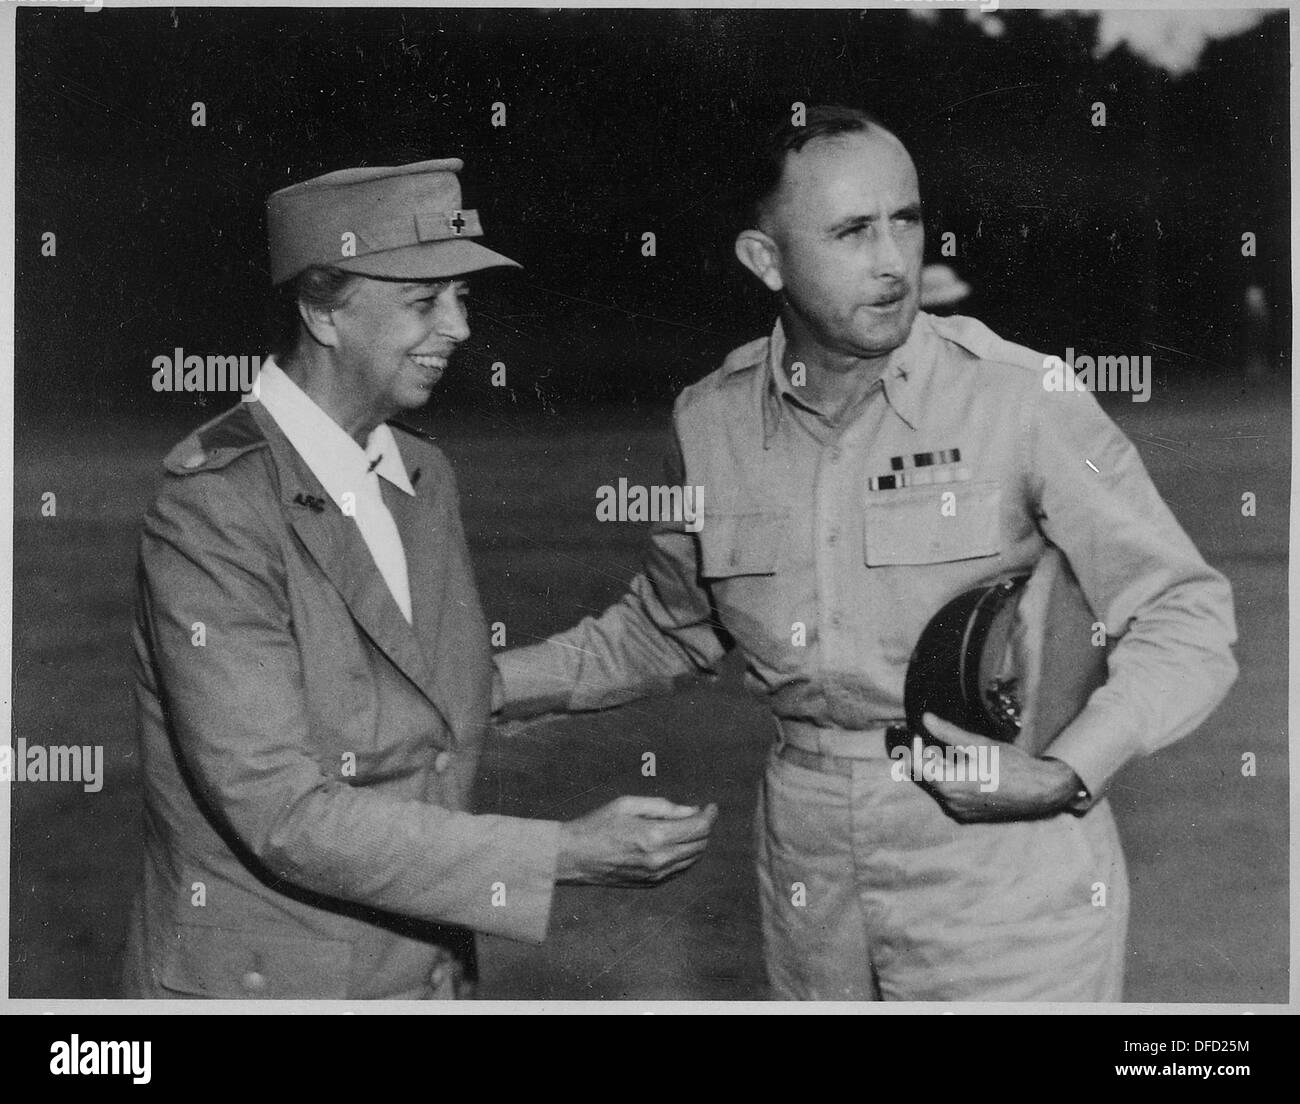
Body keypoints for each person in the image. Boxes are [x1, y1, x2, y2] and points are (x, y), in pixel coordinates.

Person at [494, 108, 1238, 1001]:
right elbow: (669, 628)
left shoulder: (1018, 399)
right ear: (765, 260)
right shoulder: (711, 421)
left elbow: (1183, 612)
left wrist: (1067, 773)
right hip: (810, 862)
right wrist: (485, 684)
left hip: (1003, 864)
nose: (895, 261)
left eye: (908, 220)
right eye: (852, 232)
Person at [119, 157, 717, 1001]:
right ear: (323, 310)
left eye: (463, 298)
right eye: (423, 301)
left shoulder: (419, 474)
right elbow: (281, 812)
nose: (460, 329)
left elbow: (436, 693)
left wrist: (681, 629)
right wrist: (562, 855)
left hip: (426, 971)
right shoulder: (215, 504)